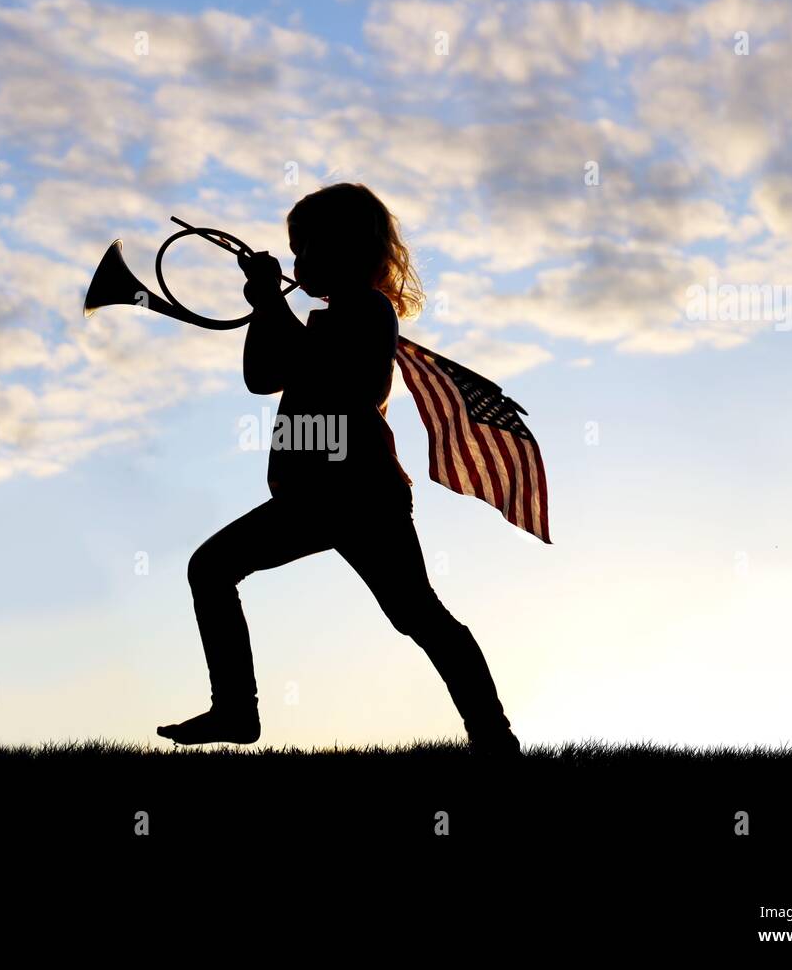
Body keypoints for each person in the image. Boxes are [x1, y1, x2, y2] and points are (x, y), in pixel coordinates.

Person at [157, 183, 521, 757]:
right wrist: (264, 303)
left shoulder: (366, 310)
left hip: (354, 491)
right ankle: (236, 710)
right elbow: (263, 374)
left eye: (309, 249)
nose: (298, 264)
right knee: (416, 615)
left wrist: (271, 304)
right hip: (323, 493)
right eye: (296, 252)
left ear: (349, 249)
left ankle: (494, 737)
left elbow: (320, 370)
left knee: (417, 616)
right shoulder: (326, 317)